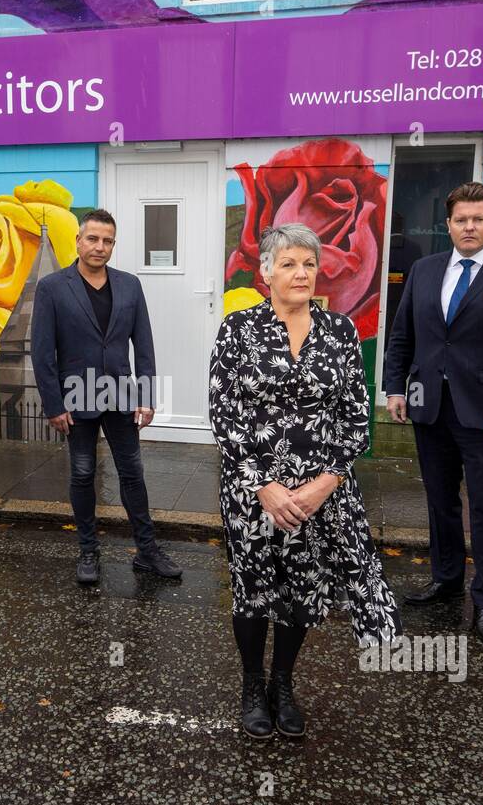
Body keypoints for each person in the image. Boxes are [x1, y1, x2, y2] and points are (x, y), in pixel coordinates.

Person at [210, 223, 401, 740]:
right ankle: (252, 685)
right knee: (253, 588)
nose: (301, 273)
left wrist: (325, 483)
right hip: (253, 492)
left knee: (303, 587)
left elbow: (356, 415)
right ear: (266, 272)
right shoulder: (238, 330)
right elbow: (224, 416)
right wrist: (264, 487)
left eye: (309, 264)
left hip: (321, 493)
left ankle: (283, 683)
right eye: (289, 263)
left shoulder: (340, 332)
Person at [383, 181, 483, 644]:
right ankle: (447, 578)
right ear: (448, 224)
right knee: (440, 501)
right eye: (460, 219)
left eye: (478, 219)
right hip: (429, 407)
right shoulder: (424, 269)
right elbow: (402, 334)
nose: (469, 227)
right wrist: (395, 387)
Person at [30, 208, 182, 584]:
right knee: (83, 475)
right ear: (78, 241)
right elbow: (41, 351)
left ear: (114, 245)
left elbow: (143, 344)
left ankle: (146, 551)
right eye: (93, 239)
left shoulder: (130, 285)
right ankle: (88, 552)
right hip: (75, 398)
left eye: (107, 241)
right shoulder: (52, 287)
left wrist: (146, 395)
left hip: (120, 394)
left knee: (133, 473)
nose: (100, 247)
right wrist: (53, 404)